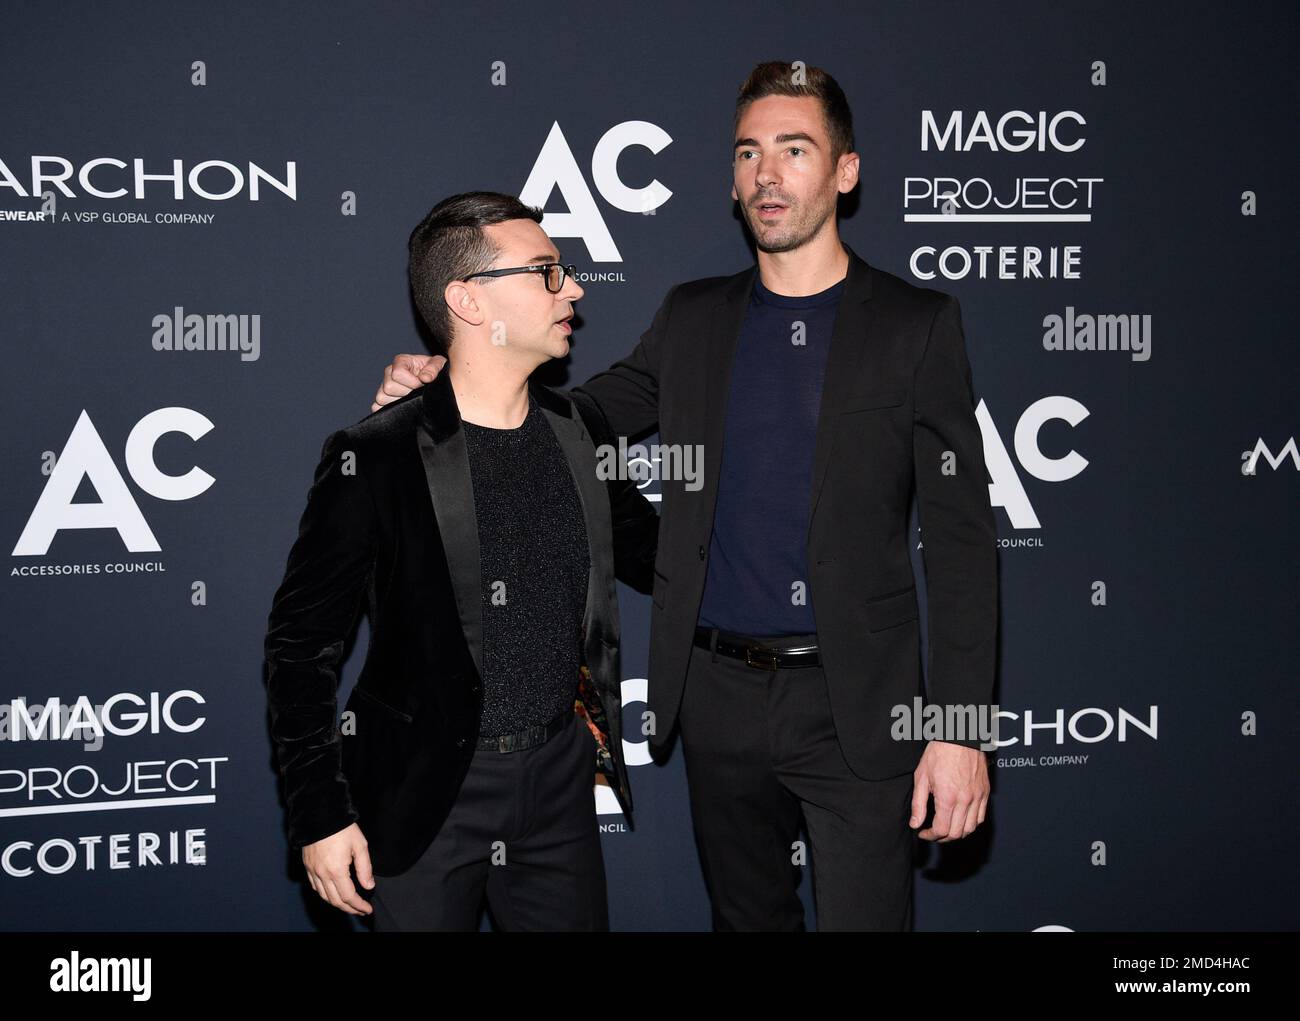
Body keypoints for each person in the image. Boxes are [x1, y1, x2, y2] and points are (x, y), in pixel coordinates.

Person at [371, 62, 998, 931]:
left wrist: (961, 730)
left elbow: (965, 543)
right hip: (717, 696)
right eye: (748, 153)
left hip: (860, 705)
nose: (766, 174)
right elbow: (577, 416)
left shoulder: (915, 324)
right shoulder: (695, 316)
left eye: (794, 149)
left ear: (845, 172)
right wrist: (458, 379)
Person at [264, 191, 659, 930]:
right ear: (468, 300)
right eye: (546, 271)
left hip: (559, 786)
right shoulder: (375, 455)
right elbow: (300, 650)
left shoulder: (583, 429)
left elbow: (659, 557)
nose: (573, 287)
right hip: (424, 791)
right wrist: (319, 813)